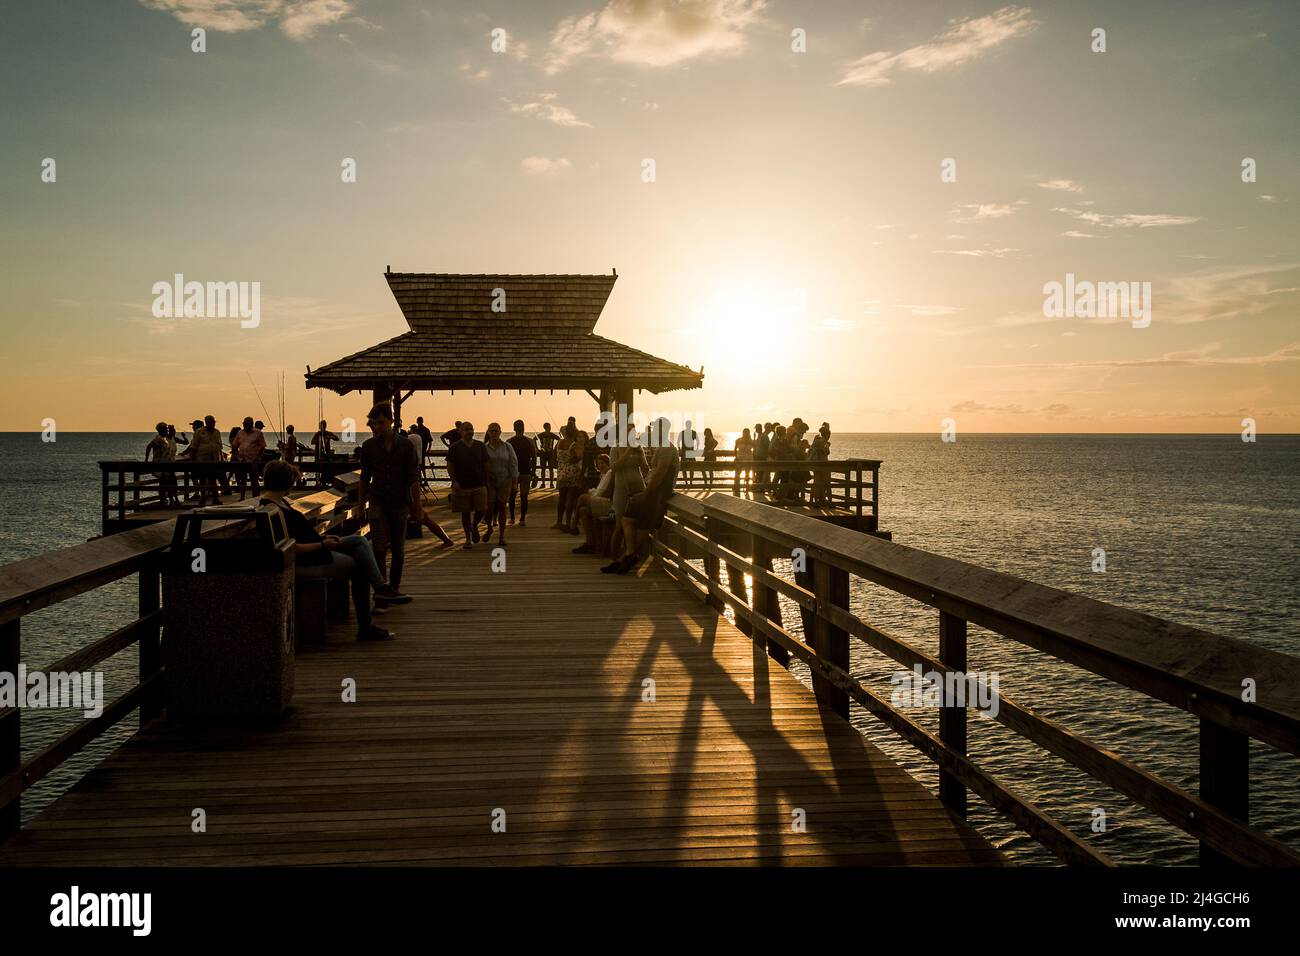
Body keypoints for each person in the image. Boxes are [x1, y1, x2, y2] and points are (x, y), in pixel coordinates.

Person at [258, 460, 395, 642]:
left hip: (317, 550)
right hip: (307, 560)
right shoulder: (271, 509)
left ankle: (380, 588)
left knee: (359, 540)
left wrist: (323, 539)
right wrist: (322, 545)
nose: (293, 485)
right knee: (360, 567)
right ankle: (366, 626)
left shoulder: (280, 501)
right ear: (284, 482)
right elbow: (291, 548)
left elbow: (300, 534)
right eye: (292, 481)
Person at [356, 403, 418, 602]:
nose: (377, 427)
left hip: (400, 502)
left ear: (391, 421)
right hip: (378, 501)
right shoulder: (368, 446)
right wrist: (359, 505)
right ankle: (381, 590)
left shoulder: (406, 445)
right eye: (374, 424)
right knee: (379, 547)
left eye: (381, 423)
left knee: (398, 548)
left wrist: (417, 506)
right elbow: (364, 478)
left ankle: (394, 587)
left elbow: (413, 478)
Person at [605, 418, 679, 575]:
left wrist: (645, 493)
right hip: (636, 491)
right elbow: (614, 467)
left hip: (653, 494)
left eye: (655, 429)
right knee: (626, 521)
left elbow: (658, 474)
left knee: (638, 526)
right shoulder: (617, 448)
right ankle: (624, 557)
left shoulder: (666, 448)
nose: (651, 431)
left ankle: (628, 557)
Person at [445, 420, 489, 549]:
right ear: (460, 431)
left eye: (471, 429)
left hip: (479, 483)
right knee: (465, 512)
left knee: (481, 510)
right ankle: (468, 538)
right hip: (462, 485)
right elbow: (450, 465)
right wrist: (454, 481)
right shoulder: (455, 447)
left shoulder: (480, 446)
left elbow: (486, 464)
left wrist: (486, 481)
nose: (470, 431)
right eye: (466, 429)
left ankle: (474, 525)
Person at [481, 422, 519, 547]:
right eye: (491, 431)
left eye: (496, 431)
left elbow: (513, 464)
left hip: (505, 480)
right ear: (488, 432)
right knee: (489, 507)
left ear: (500, 432)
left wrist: (514, 483)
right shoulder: (484, 448)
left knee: (502, 506)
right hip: (490, 481)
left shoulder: (507, 447)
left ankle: (502, 536)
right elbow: (481, 465)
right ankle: (489, 528)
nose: (494, 433)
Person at [572, 454, 613, 555]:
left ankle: (574, 524)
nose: (600, 466)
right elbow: (599, 490)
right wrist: (592, 492)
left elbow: (602, 492)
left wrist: (591, 493)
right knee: (583, 510)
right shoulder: (603, 475)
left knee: (582, 497)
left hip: (608, 504)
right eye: (598, 464)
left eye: (603, 463)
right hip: (601, 500)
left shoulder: (610, 473)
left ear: (608, 463)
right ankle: (590, 543)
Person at [186, 415, 225, 504]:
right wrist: (192, 459)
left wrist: (221, 459)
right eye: (211, 422)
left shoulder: (217, 432)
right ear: (207, 422)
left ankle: (215, 498)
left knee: (213, 479)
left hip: (214, 460)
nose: (213, 423)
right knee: (202, 479)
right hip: (202, 459)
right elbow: (194, 446)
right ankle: (202, 498)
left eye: (214, 421)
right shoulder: (199, 432)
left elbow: (220, 447)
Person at [553, 423, 584, 533]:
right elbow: (578, 457)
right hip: (572, 473)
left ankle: (559, 521)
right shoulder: (574, 444)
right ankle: (568, 522)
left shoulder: (560, 443)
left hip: (562, 472)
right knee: (570, 499)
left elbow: (557, 457)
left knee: (561, 499)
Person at [506, 420, 537, 526]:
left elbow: (507, 459)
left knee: (512, 496)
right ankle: (522, 519)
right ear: (523, 428)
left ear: (514, 428)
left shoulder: (509, 441)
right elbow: (534, 457)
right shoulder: (530, 441)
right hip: (525, 472)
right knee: (524, 497)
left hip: (513, 473)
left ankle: (512, 517)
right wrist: (533, 473)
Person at [144, 422, 181, 506]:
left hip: (167, 463)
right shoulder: (158, 438)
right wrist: (146, 459)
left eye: (167, 429)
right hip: (160, 464)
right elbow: (149, 446)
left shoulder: (164, 438)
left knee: (172, 481)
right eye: (166, 429)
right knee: (164, 483)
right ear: (161, 430)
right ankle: (164, 500)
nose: (167, 430)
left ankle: (172, 499)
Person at [231, 416, 266, 498]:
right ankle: (242, 497)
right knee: (242, 479)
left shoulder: (258, 433)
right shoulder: (240, 433)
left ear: (251, 424)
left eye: (247, 424)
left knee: (254, 480)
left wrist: (258, 457)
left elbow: (262, 446)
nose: (245, 426)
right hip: (242, 460)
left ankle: (256, 497)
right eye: (244, 424)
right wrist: (236, 454)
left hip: (253, 460)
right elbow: (234, 444)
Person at [733, 427, 754, 494]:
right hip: (740, 459)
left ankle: (747, 487)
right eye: (744, 432)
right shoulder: (738, 440)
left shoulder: (751, 441)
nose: (745, 434)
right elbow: (735, 450)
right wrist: (736, 457)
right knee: (737, 473)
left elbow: (755, 449)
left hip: (748, 459)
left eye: (746, 433)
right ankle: (736, 487)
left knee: (747, 474)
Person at [754, 422, 771, 493]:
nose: (757, 430)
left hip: (762, 456)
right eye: (756, 428)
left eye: (757, 428)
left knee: (761, 472)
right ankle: (759, 487)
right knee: (758, 472)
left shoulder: (764, 436)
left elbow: (767, 445)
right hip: (758, 456)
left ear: (760, 428)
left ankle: (761, 488)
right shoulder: (759, 435)